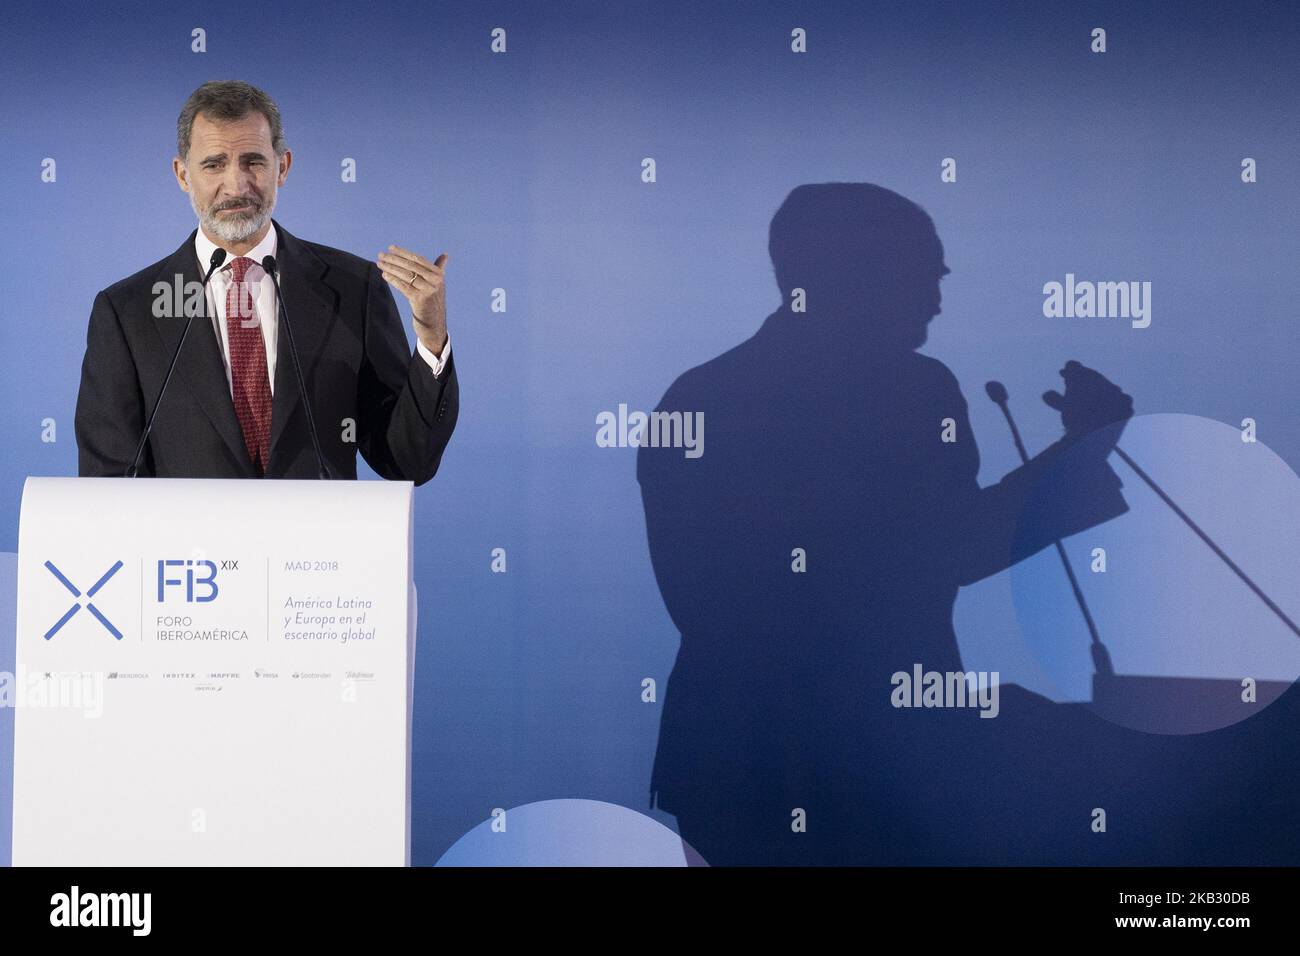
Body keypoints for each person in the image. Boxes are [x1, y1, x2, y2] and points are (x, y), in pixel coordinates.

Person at [637, 183, 1135, 865]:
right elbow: (949, 547)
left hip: (736, 758)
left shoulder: (694, 398)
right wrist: (1080, 451)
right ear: (855, 272)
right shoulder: (911, 390)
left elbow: (702, 602)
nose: (936, 292)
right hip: (884, 761)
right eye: (921, 270)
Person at [75, 80, 458, 482]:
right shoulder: (127, 312)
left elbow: (408, 461)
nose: (236, 185)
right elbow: (108, 483)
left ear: (283, 167)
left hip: (314, 543)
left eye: (253, 161)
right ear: (183, 175)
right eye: (213, 164)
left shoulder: (354, 289)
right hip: (186, 546)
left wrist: (432, 340)